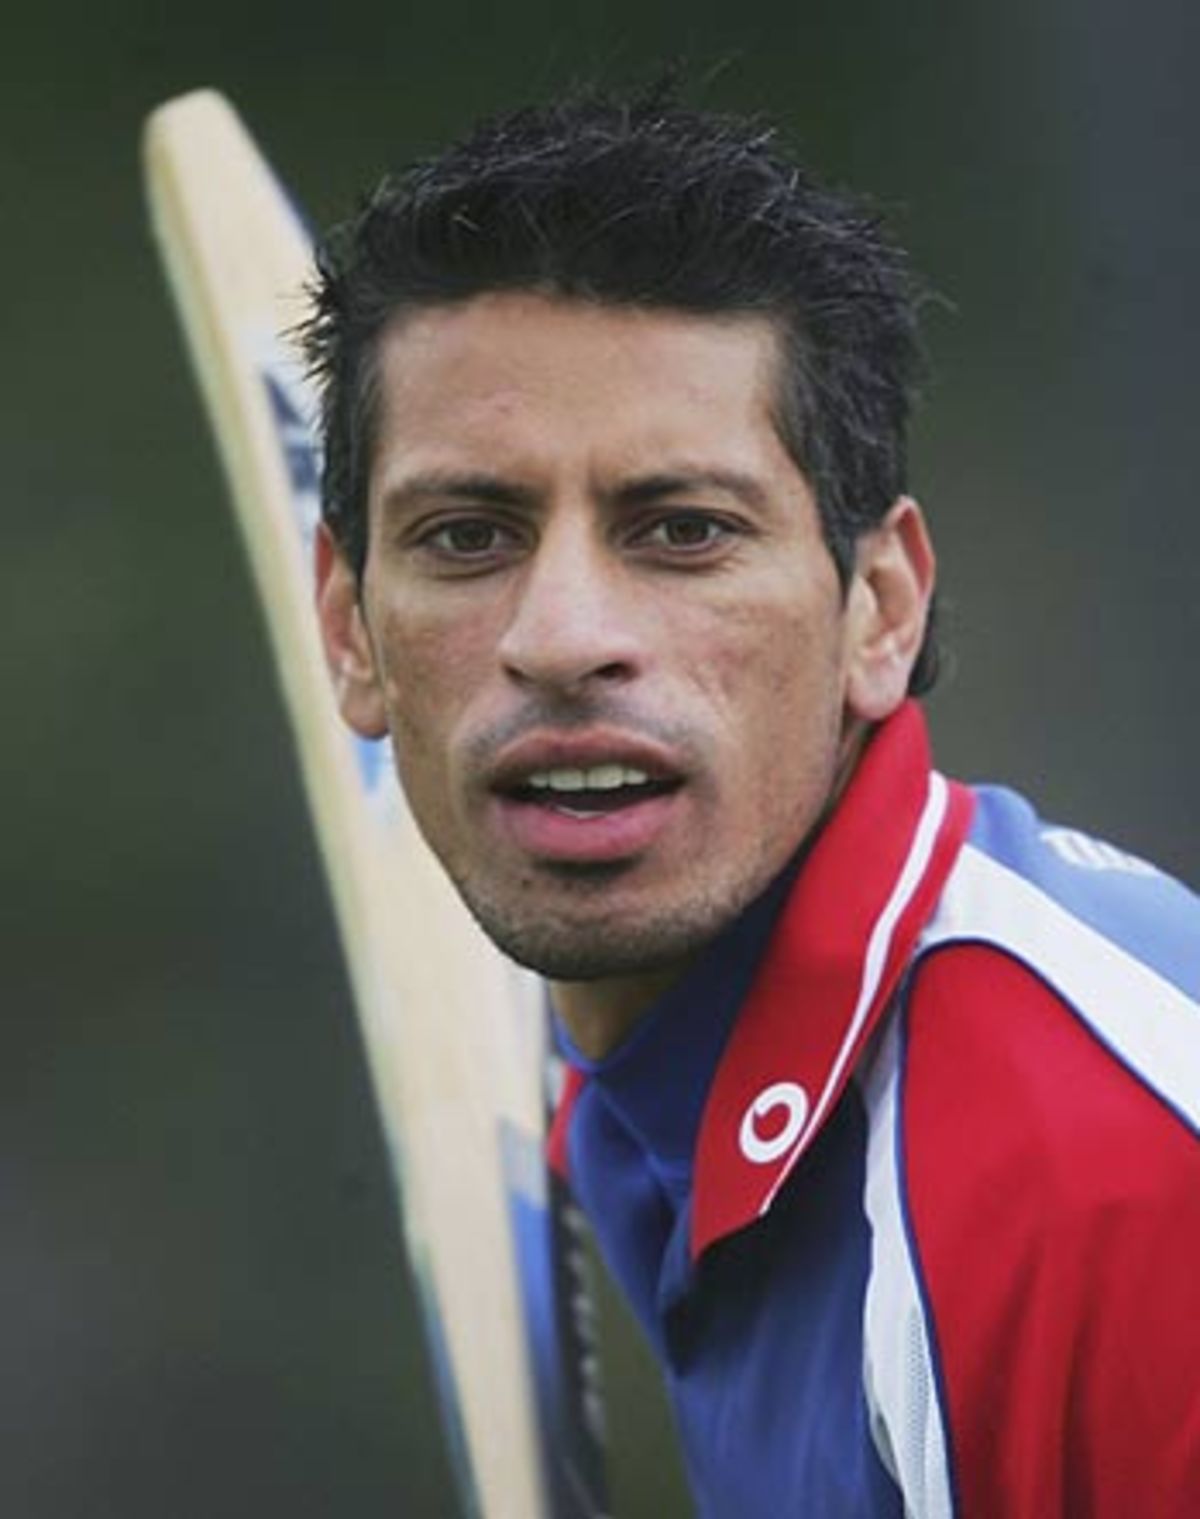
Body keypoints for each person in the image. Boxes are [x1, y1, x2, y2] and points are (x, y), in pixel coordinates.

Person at [303, 84, 1200, 1517]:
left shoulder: (1101, 1181)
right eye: (468, 537)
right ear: (350, 629)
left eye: (683, 531)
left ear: (880, 610)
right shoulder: (658, 1093)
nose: (563, 635)